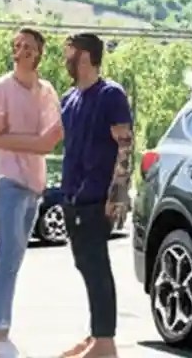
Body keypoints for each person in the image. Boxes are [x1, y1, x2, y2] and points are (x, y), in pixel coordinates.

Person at [0, 27, 63, 358]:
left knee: (15, 259)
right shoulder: (0, 88)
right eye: (17, 45)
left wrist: (14, 141)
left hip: (34, 183)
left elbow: (50, 138)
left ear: (39, 52)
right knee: (7, 257)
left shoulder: (47, 91)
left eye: (28, 46)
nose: (21, 50)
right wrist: (33, 143)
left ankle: (2, 332)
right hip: (8, 180)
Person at [56, 33, 135, 358]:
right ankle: (95, 335)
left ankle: (106, 343)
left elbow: (125, 145)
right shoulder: (69, 98)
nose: (65, 60)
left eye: (69, 54)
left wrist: (117, 194)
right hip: (72, 196)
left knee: (97, 266)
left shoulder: (111, 94)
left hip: (97, 197)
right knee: (85, 264)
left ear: (85, 57)